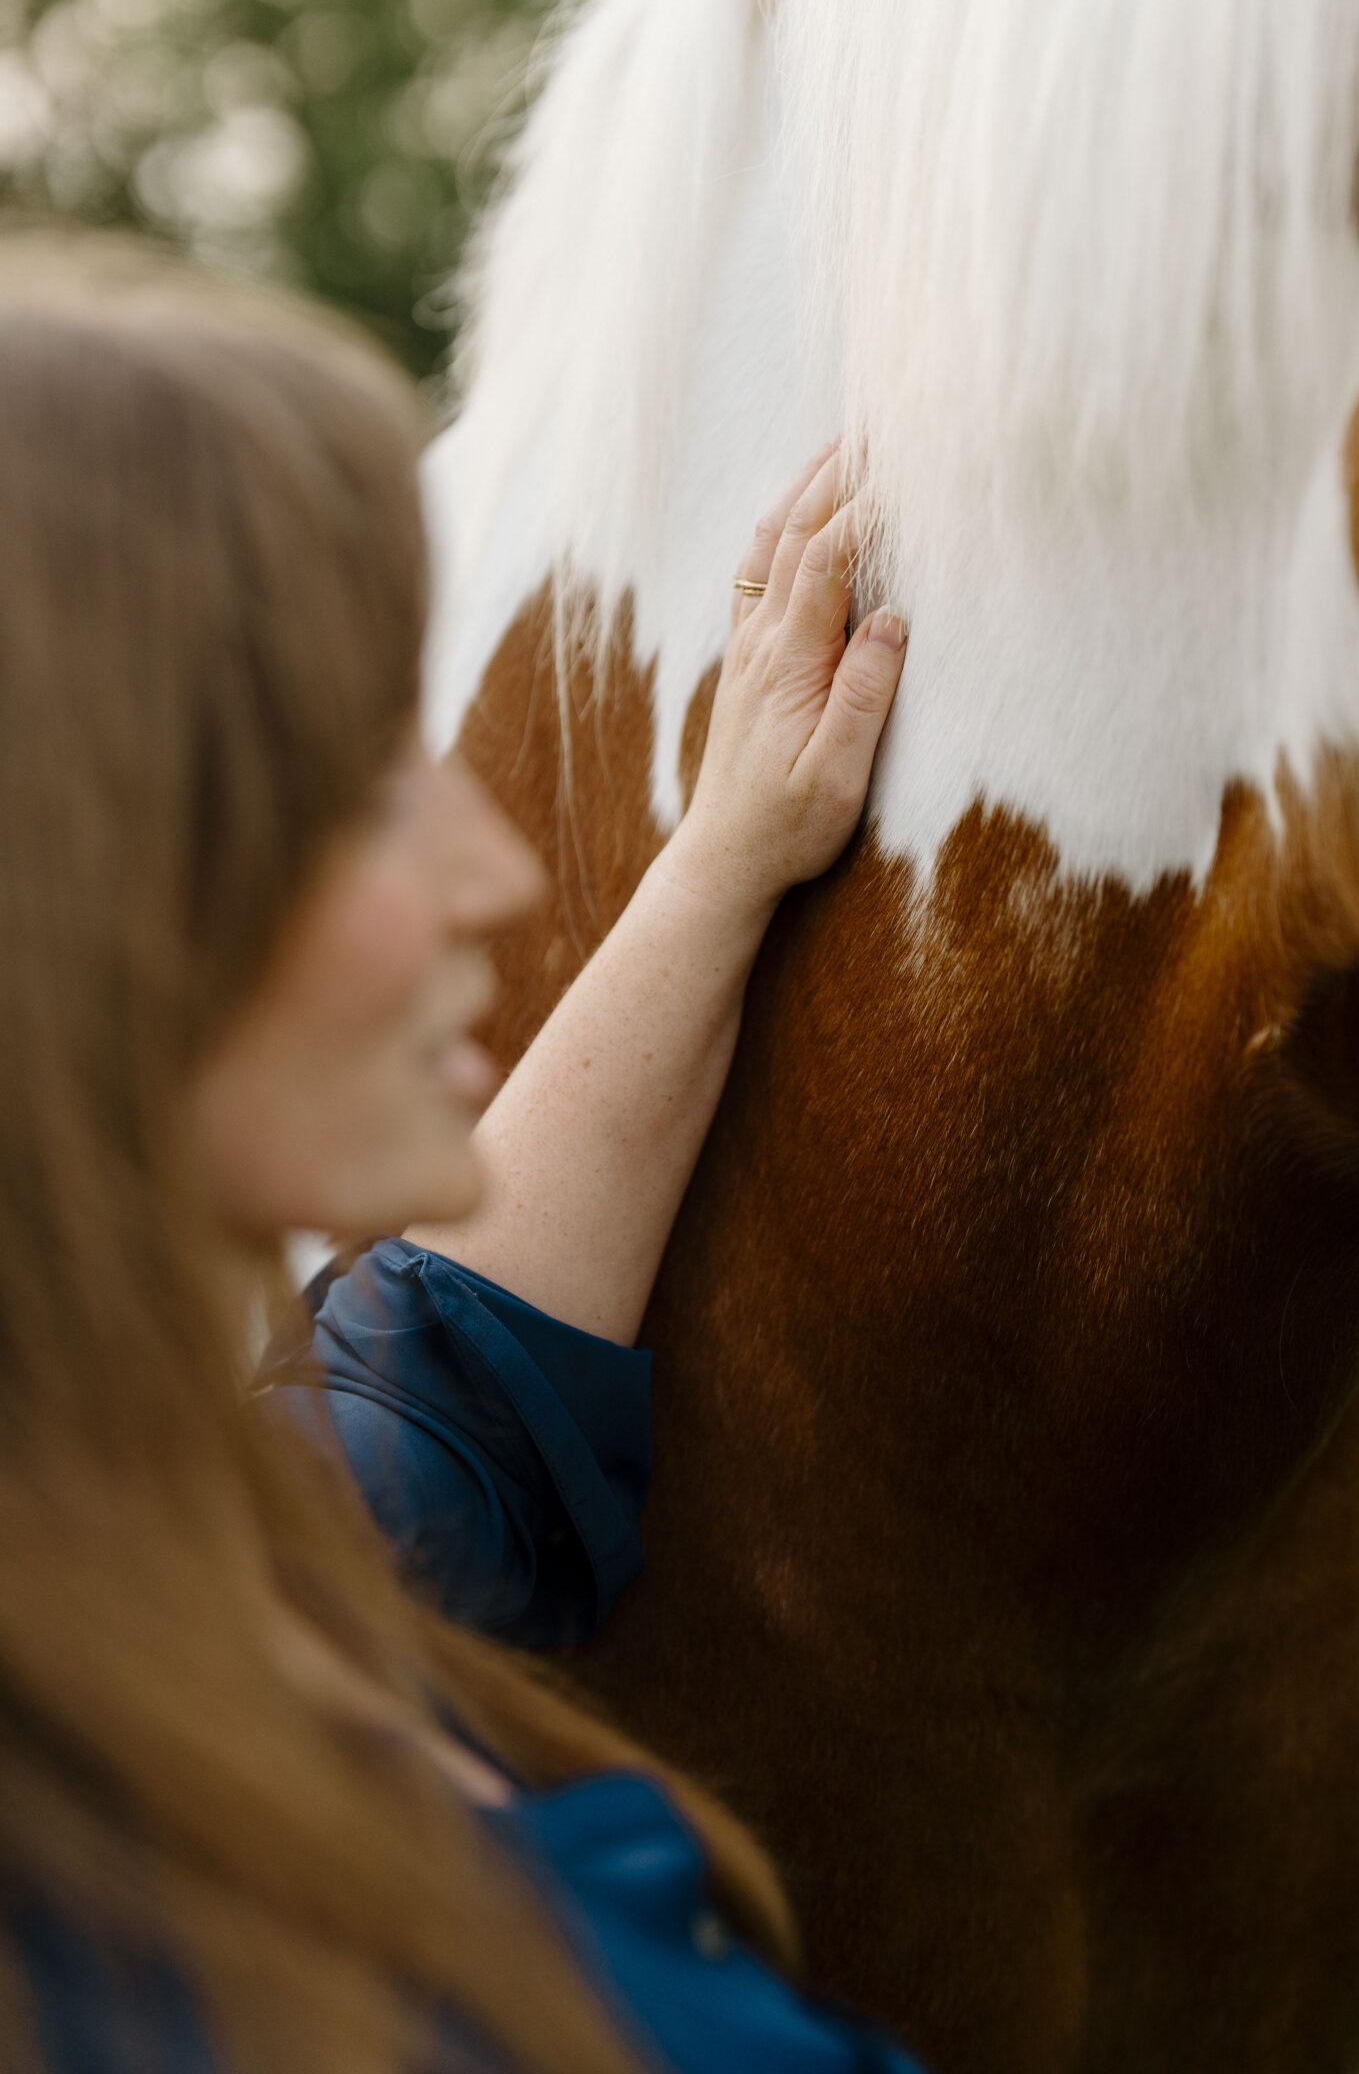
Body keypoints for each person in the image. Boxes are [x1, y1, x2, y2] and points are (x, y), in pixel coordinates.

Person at [0, 232, 917, 2074]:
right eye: (356, 787)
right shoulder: (158, 1954)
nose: (494, 878)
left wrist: (725, 860)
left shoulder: (127, 1550)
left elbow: (447, 1397)